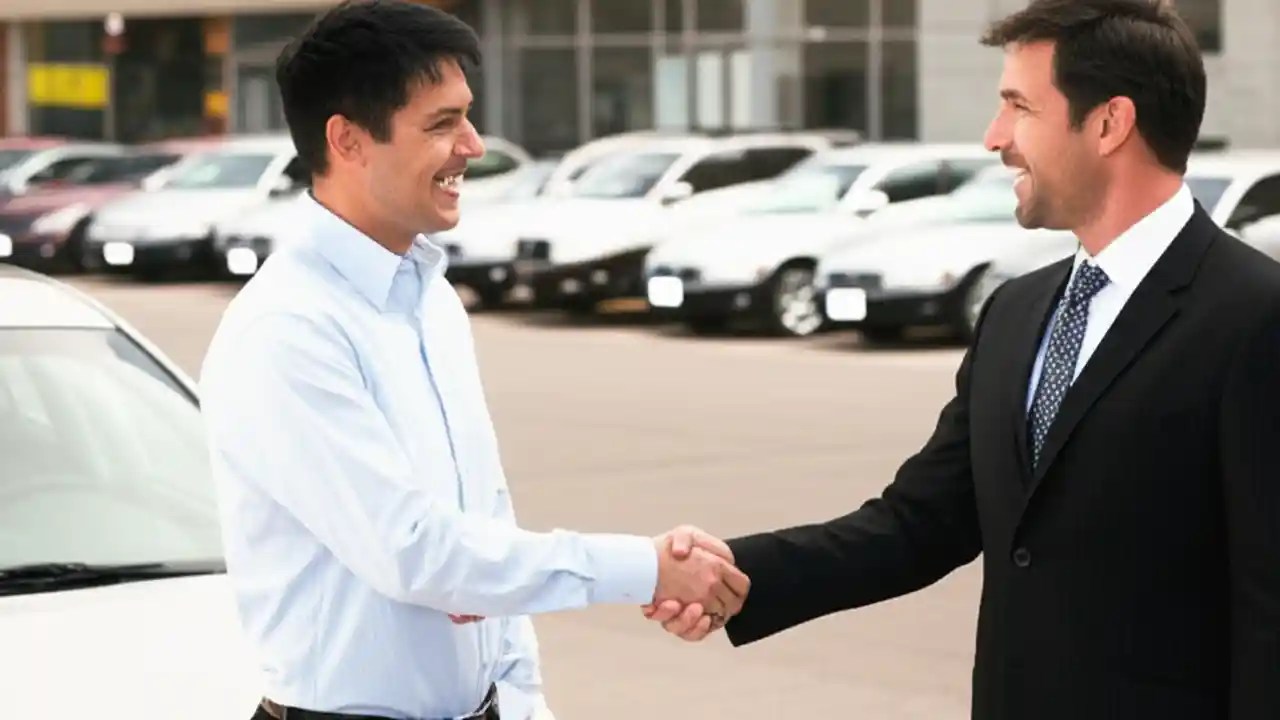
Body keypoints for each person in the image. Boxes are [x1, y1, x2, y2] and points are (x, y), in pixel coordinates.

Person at [644, 1, 1280, 718]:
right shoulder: (1016, 312)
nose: (994, 137)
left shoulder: (1256, 317)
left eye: (1018, 106)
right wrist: (736, 572)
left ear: (1109, 123)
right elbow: (920, 525)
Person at [199, 2, 747, 720]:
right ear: (349, 140)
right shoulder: (287, 329)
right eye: (441, 123)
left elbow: (485, 524)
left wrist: (522, 701)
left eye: (467, 116)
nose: (475, 145)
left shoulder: (430, 301)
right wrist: (645, 569)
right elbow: (419, 554)